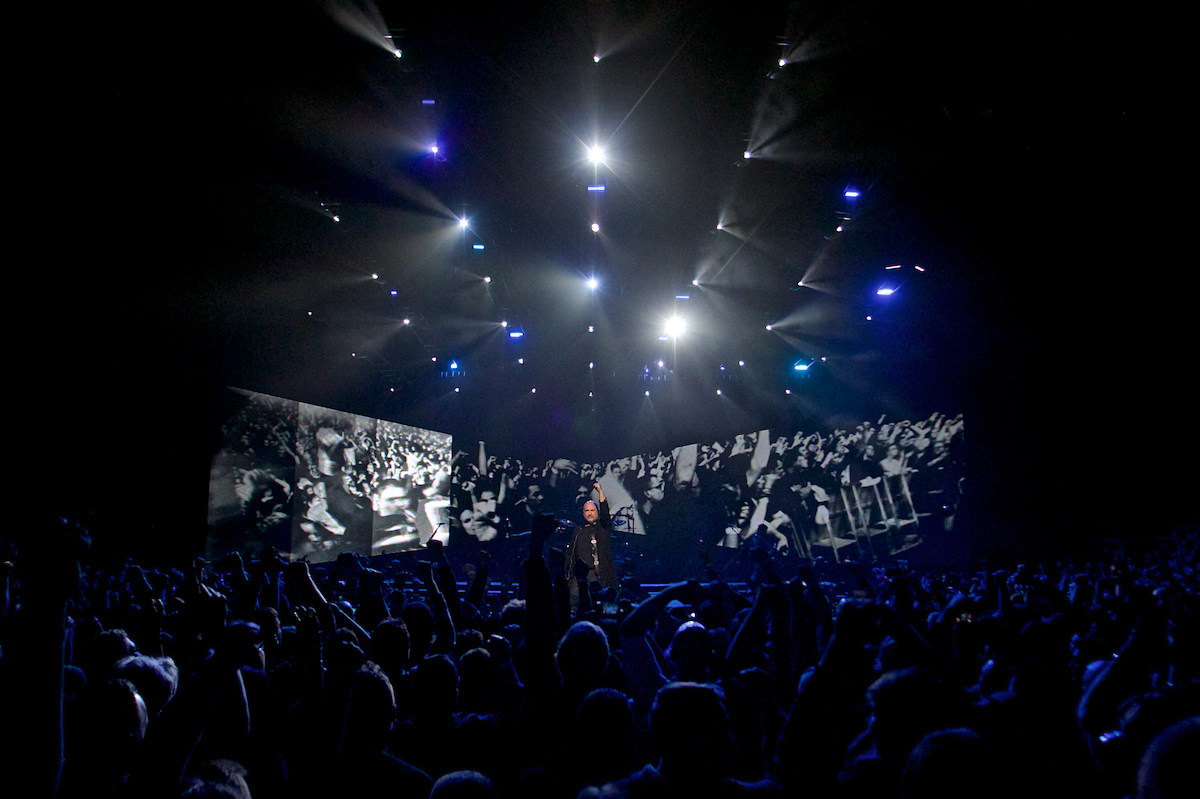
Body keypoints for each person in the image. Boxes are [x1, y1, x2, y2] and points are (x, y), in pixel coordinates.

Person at [565, 481, 617, 608]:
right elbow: (571, 553)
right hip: (579, 577)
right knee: (575, 604)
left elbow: (605, 513)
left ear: (597, 512)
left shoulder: (602, 528)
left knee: (602, 604)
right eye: (587, 510)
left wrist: (600, 492)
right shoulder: (578, 531)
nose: (589, 513)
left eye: (592, 510)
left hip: (599, 575)